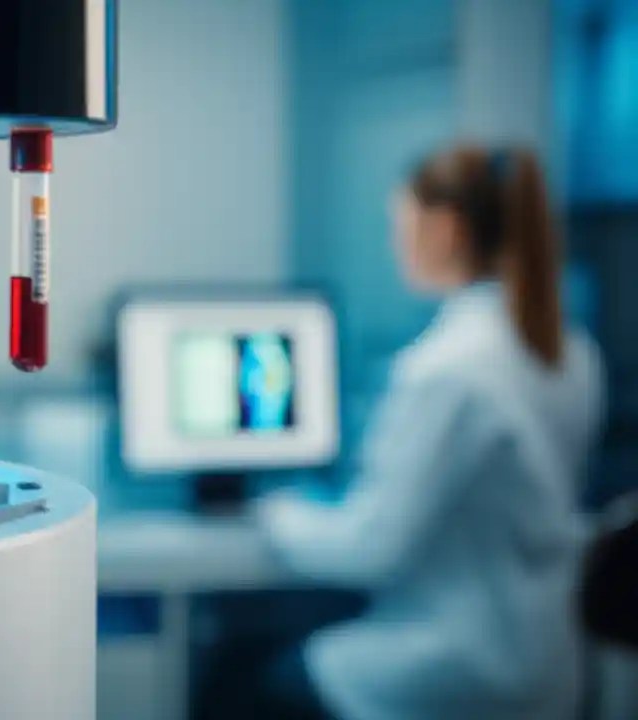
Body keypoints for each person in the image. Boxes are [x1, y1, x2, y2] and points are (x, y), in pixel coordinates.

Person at [255, 146, 605, 720]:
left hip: (457, 668)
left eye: (401, 224)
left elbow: (370, 548)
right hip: (548, 667)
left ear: (444, 230)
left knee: (257, 682)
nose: (396, 244)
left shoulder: (446, 368)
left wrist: (277, 514)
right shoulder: (571, 351)